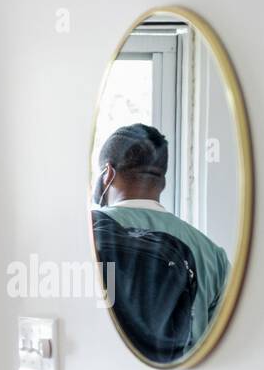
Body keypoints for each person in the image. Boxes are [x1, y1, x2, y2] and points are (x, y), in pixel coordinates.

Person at [92, 124, 231, 357]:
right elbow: (224, 346)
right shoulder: (213, 255)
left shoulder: (89, 232)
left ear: (108, 174)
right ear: (162, 182)